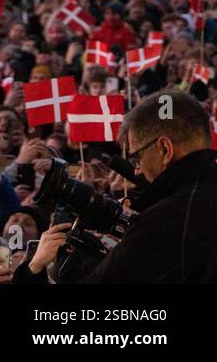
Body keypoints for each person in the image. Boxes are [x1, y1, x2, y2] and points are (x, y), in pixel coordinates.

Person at [22, 91, 217, 283]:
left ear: (165, 149)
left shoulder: (167, 220)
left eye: (136, 158)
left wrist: (32, 271)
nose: (137, 171)